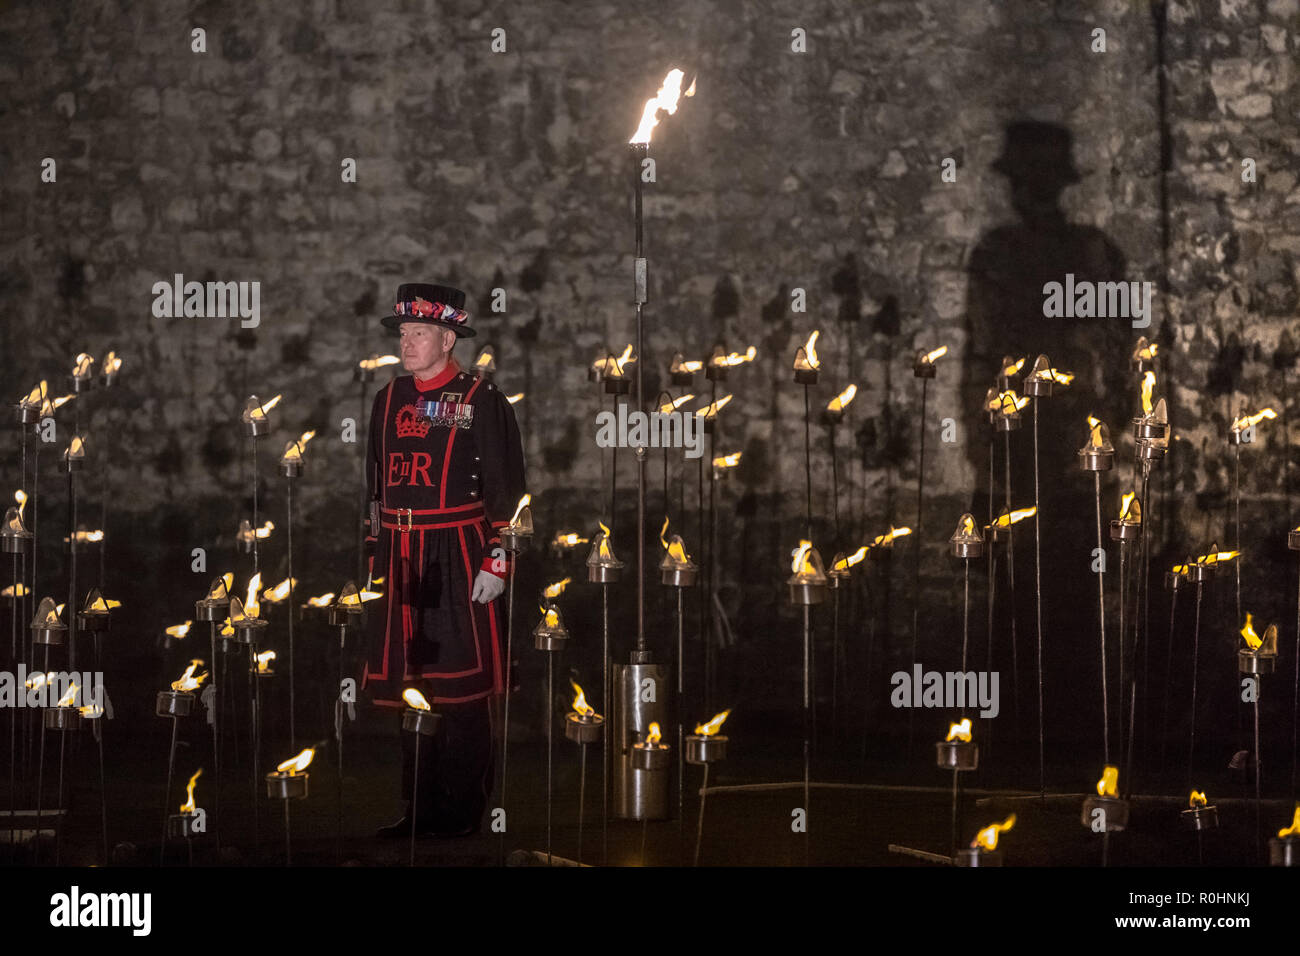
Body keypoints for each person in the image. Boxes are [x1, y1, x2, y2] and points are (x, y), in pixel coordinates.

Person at [361, 281, 525, 837]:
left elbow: (508, 489)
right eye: (403, 333)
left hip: (457, 554)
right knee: (414, 686)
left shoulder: (481, 400)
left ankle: (463, 815)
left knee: (462, 689)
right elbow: (374, 490)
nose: (406, 343)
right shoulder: (387, 399)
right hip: (400, 556)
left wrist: (498, 557)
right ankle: (418, 811)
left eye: (419, 333)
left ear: (448, 339)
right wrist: (374, 558)